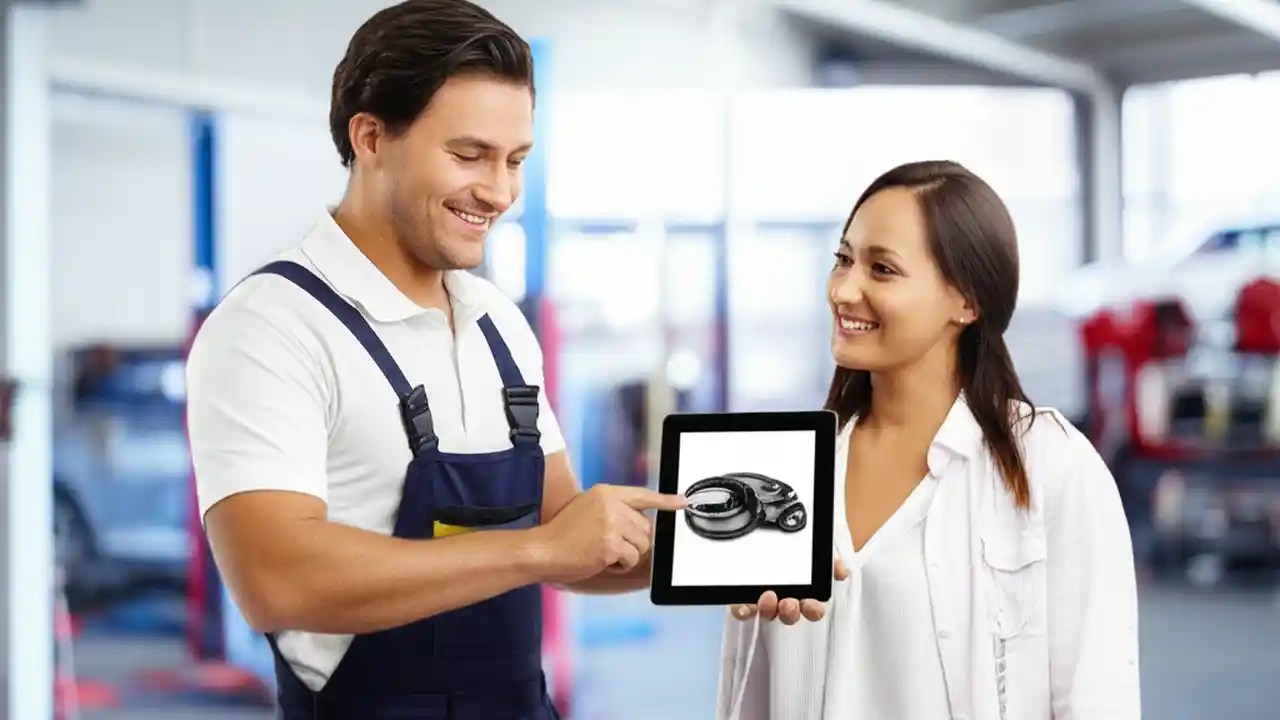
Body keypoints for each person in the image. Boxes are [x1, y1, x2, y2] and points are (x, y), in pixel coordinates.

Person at [185, 2, 685, 718]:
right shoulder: (271, 327)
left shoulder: (498, 327)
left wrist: (727, 549)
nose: (500, 191)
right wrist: (540, 551)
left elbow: (571, 533)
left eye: (515, 161)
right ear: (370, 137)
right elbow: (276, 579)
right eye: (469, 155)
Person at [716, 161, 1141, 719]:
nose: (845, 289)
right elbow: (744, 697)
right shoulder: (787, 475)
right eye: (842, 260)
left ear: (967, 301)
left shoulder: (1049, 464)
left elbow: (1098, 698)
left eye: (882, 269)